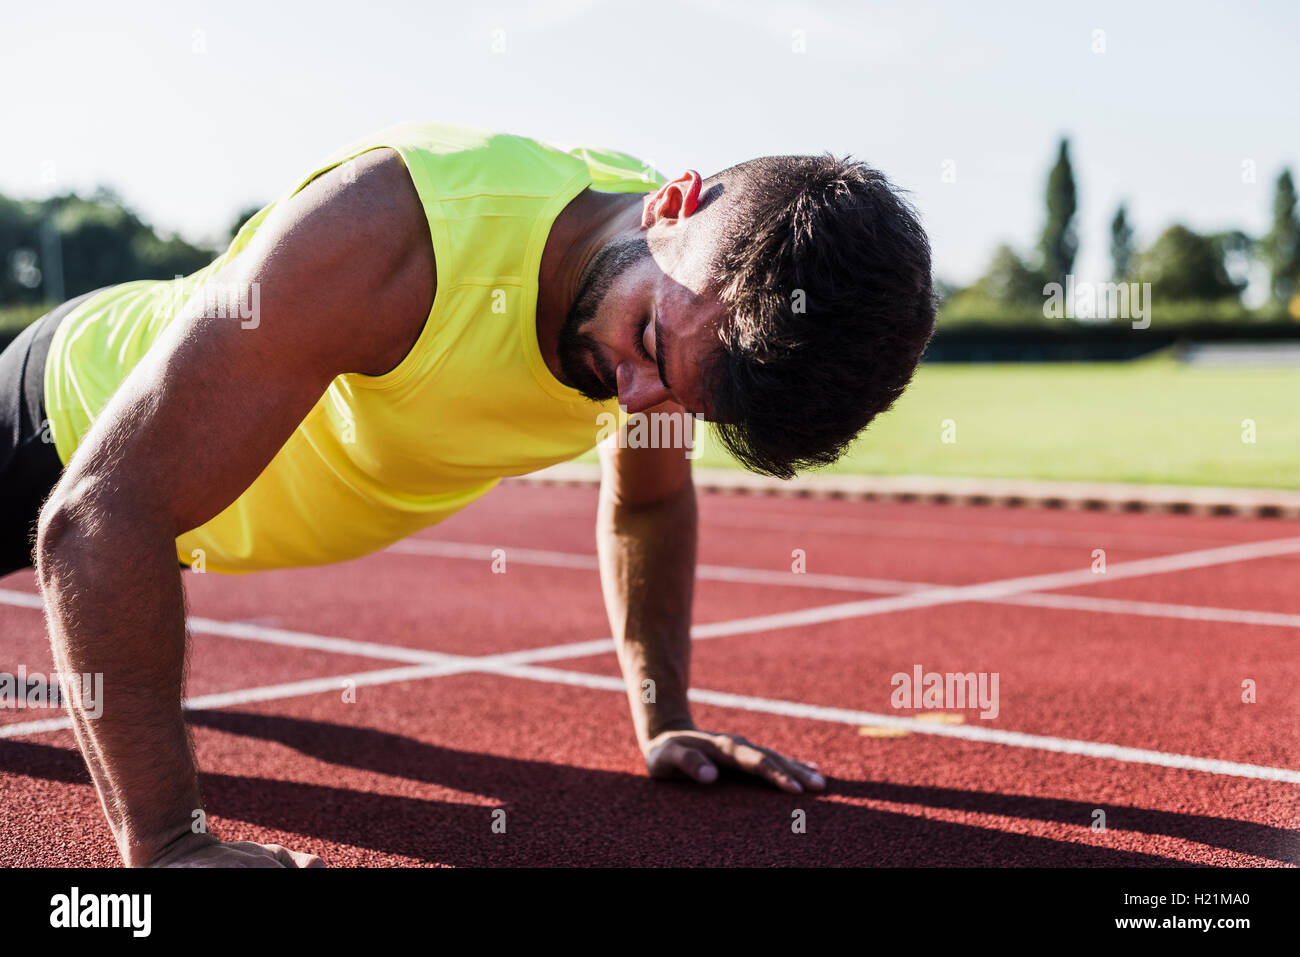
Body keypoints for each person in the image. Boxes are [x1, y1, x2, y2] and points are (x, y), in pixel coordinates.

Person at [0, 122, 936, 866]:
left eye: (680, 400)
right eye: (650, 349)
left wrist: (666, 716)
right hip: (70, 420)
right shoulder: (390, 226)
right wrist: (167, 846)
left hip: (169, 511)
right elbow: (96, 518)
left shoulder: (685, 300)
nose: (639, 405)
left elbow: (648, 501)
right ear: (672, 204)